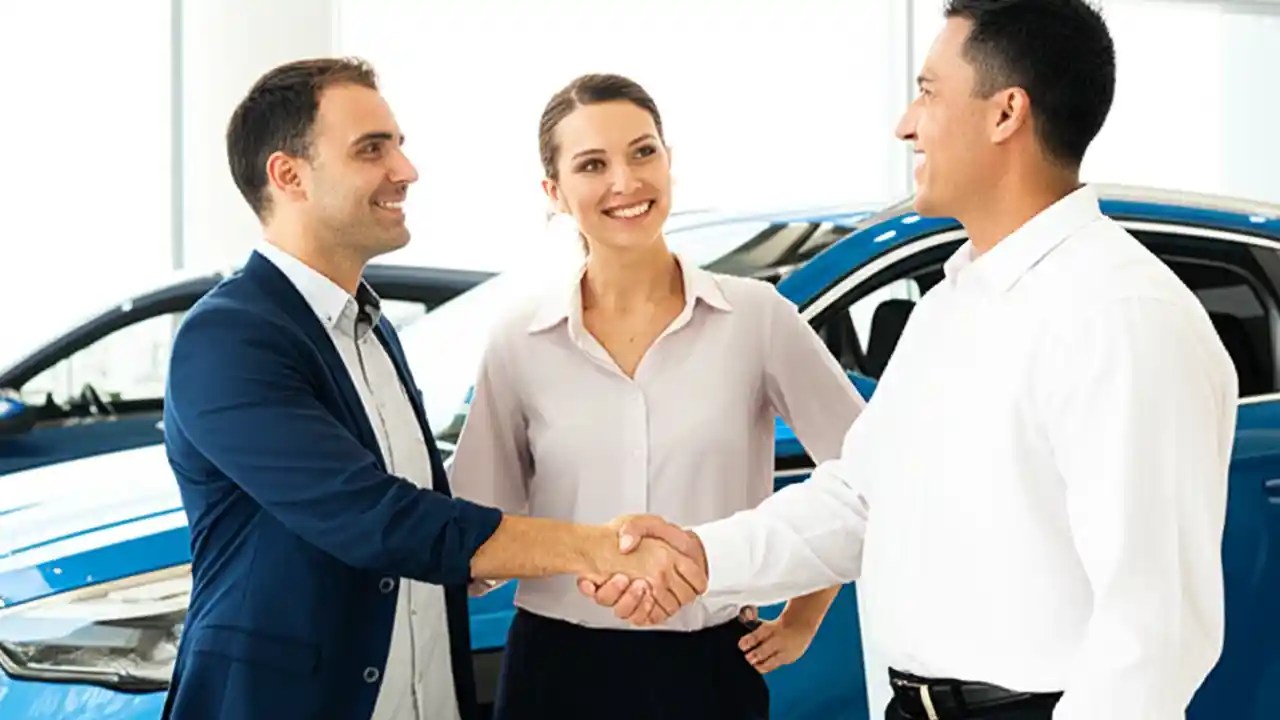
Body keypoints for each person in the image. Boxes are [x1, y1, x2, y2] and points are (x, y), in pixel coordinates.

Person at [586, 2, 1239, 719]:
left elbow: (1152, 631)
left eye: (928, 92)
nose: (905, 122)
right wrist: (702, 555)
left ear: (1005, 114)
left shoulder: (1121, 316)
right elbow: (861, 500)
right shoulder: (950, 305)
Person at [161, 58, 705, 720]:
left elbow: (426, 513)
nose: (405, 170)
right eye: (372, 150)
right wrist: (596, 545)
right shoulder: (228, 339)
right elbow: (375, 518)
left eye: (398, 145)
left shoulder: (368, 327)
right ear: (289, 175)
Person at [447, 72, 865, 720]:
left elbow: (866, 473)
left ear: (669, 161)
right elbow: (480, 527)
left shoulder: (756, 317)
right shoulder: (518, 342)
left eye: (644, 152)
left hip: (706, 669)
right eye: (593, 164)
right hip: (555, 670)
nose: (626, 182)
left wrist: (803, 617)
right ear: (553, 192)